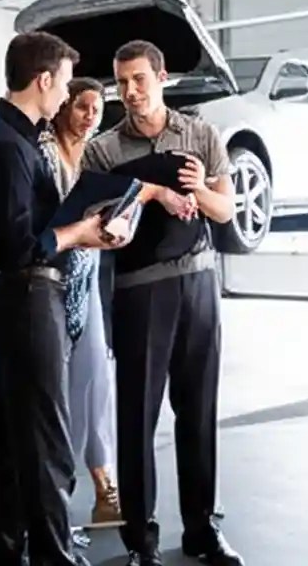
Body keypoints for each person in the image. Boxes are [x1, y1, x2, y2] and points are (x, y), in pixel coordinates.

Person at [0, 32, 133, 566]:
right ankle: (54, 557)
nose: (66, 97)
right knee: (47, 441)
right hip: (30, 294)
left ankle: (8, 553)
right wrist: (76, 235)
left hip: (32, 295)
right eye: (64, 84)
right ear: (43, 81)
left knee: (13, 442)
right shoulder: (5, 146)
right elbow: (15, 246)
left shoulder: (16, 138)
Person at [81, 40, 245, 566]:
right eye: (121, 82)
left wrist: (200, 190)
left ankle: (201, 529)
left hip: (198, 285)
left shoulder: (200, 134)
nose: (129, 93)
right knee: (138, 418)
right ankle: (141, 541)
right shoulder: (103, 150)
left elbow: (225, 212)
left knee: (198, 412)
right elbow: (98, 216)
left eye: (139, 80)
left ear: (162, 76)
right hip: (139, 290)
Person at [38, 77, 123, 529]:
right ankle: (55, 503)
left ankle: (103, 485)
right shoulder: (45, 149)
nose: (92, 115)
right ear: (64, 106)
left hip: (86, 276)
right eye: (83, 106)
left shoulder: (92, 155)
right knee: (56, 395)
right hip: (48, 280)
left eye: (98, 107)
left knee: (96, 379)